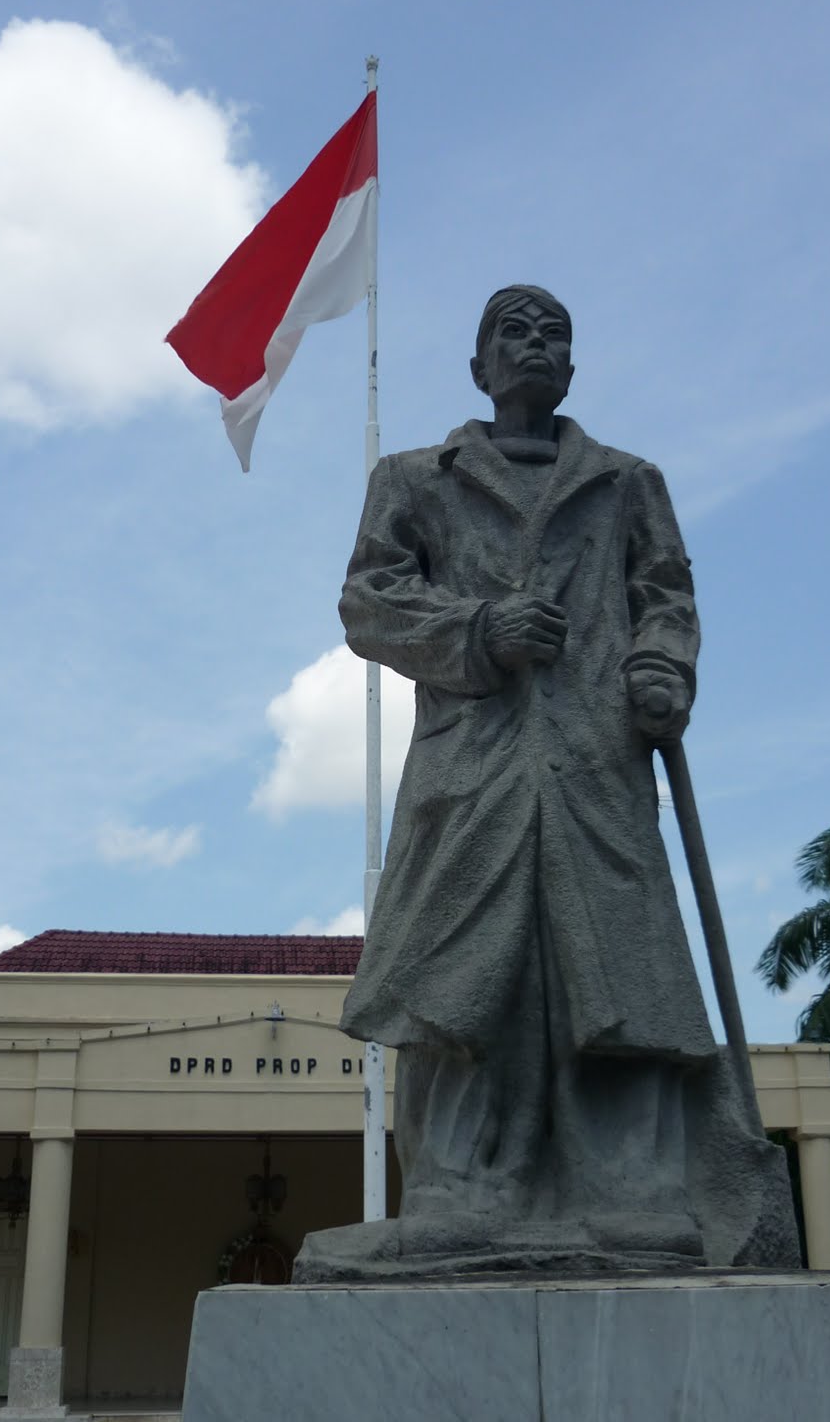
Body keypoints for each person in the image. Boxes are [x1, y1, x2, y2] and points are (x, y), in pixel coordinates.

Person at [301, 286, 797, 1276]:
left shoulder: (625, 483)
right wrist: (477, 632)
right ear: (479, 367)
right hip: (473, 765)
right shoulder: (416, 479)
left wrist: (662, 666)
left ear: (571, 369)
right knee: (469, 980)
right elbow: (369, 602)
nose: (535, 343)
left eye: (554, 333)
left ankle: (635, 1193)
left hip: (595, 759)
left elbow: (666, 594)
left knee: (612, 975)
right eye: (512, 332)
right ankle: (459, 1191)